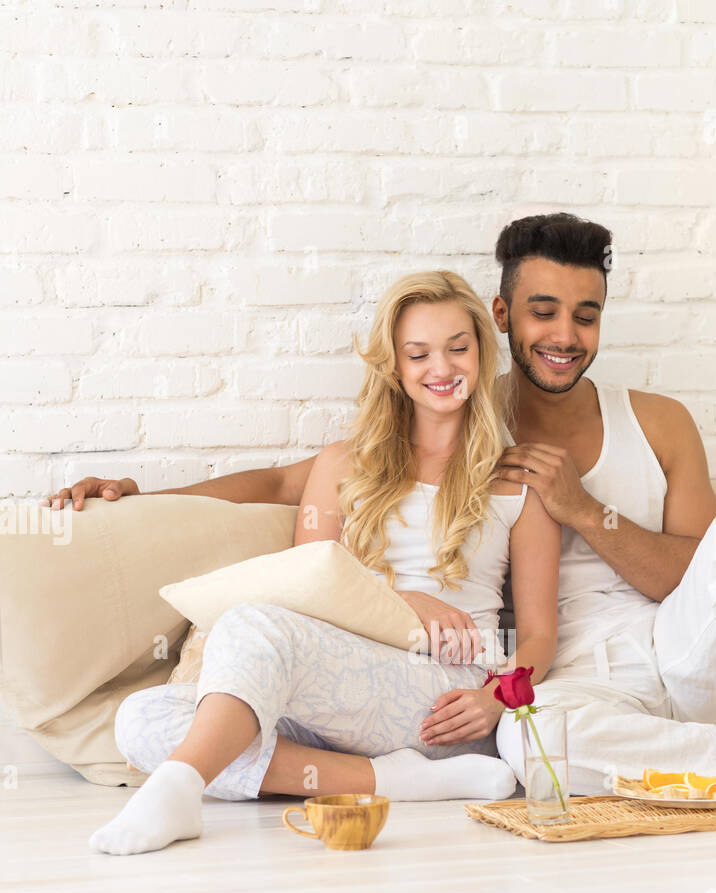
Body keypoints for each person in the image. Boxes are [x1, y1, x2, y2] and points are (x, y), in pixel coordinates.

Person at [54, 214, 716, 801]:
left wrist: (582, 509)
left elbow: (712, 571)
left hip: (680, 651)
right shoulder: (461, 419)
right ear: (502, 316)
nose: (564, 335)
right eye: (543, 311)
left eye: (586, 315)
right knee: (533, 754)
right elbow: (288, 482)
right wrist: (140, 492)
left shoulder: (657, 422)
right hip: (560, 685)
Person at [88, 271, 559, 854]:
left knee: (249, 624)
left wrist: (494, 700)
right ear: (394, 366)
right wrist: (136, 498)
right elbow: (303, 586)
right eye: (419, 354)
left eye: (458, 348)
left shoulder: (519, 481)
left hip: (447, 697)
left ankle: (180, 790)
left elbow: (539, 636)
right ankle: (395, 780)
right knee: (140, 719)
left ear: (482, 353)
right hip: (338, 688)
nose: (442, 369)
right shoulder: (344, 464)